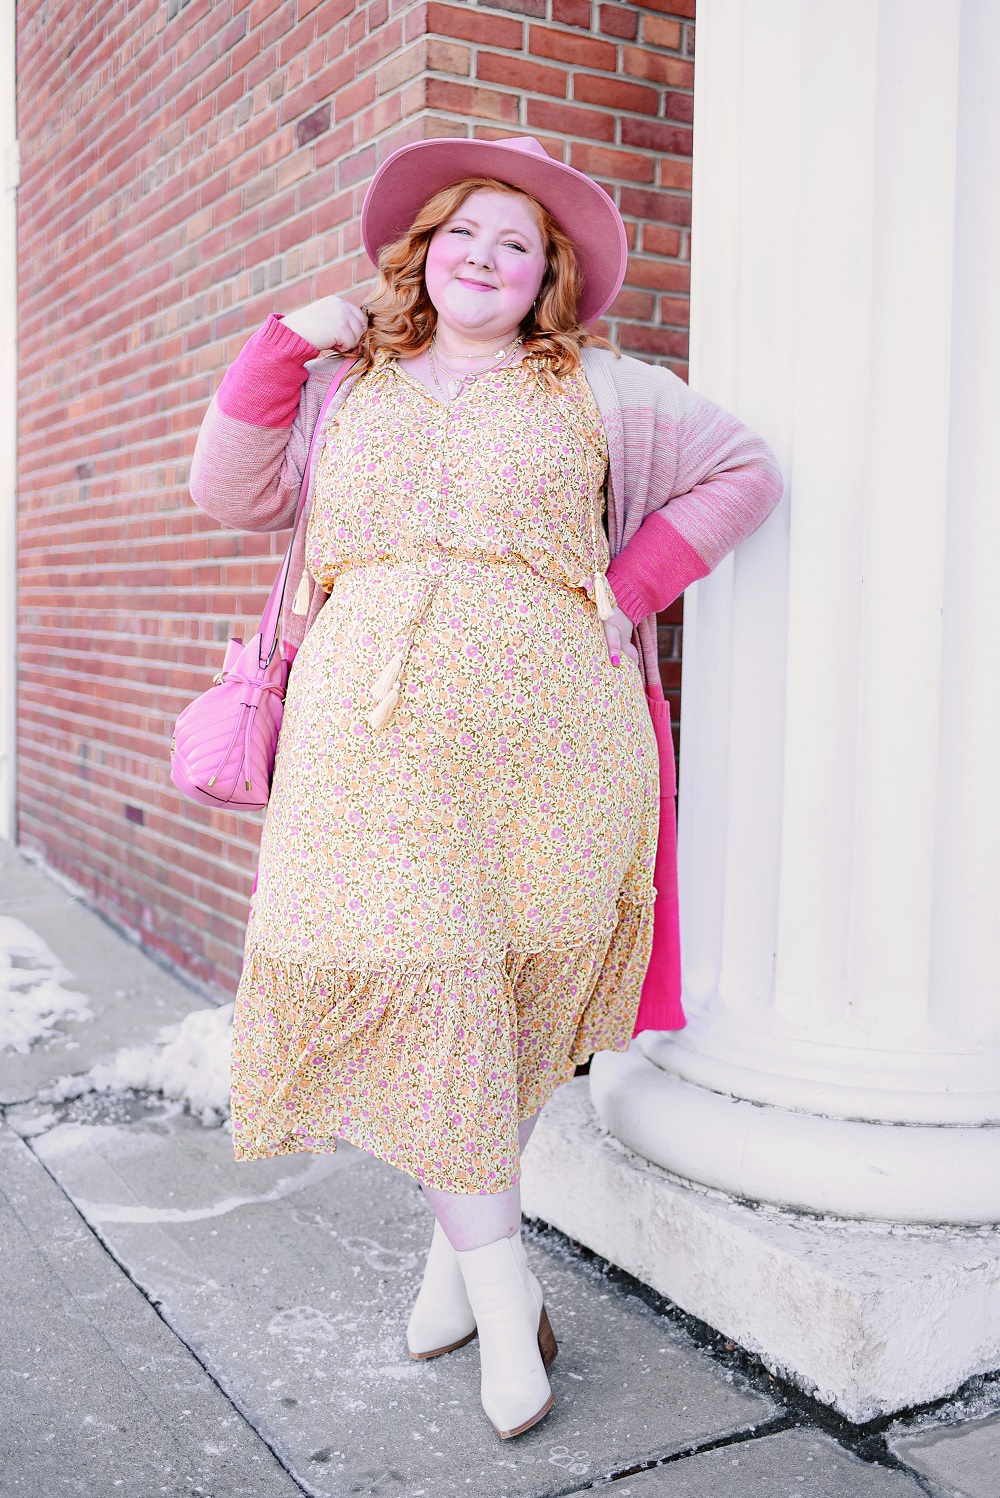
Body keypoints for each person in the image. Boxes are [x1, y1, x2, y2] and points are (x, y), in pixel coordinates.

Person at [189, 135, 782, 1441]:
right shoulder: (348, 381)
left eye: (518, 244)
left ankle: (451, 1264)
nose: (486, 256)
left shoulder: (606, 389)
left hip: (556, 737)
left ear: (545, 278)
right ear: (420, 252)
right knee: (423, 976)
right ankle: (514, 1305)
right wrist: (283, 338)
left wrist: (626, 594)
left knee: (506, 990)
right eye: (465, 231)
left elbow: (745, 473)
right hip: (368, 735)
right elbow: (222, 489)